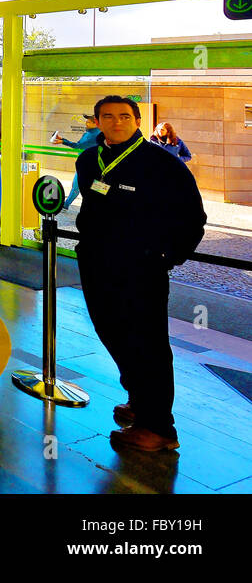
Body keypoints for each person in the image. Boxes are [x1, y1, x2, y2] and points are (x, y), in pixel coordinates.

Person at [73, 95, 206, 453]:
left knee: (147, 344)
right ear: (97, 121)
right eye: (108, 116)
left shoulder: (161, 163)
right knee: (111, 332)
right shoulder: (88, 160)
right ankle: (141, 400)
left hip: (139, 269)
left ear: (136, 120)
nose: (117, 122)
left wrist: (166, 257)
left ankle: (159, 427)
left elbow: (194, 218)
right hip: (96, 263)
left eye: (125, 116)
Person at [53, 114, 99, 210]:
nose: (86, 123)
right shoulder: (89, 133)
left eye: (88, 122)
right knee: (82, 186)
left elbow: (78, 145)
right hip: (86, 164)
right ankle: (67, 205)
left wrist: (63, 141)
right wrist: (62, 139)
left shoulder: (95, 135)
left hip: (88, 166)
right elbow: (79, 144)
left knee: (79, 186)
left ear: (96, 124)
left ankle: (67, 205)